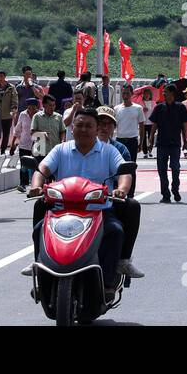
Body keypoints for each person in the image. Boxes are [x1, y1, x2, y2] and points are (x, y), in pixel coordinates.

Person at [26, 110, 130, 292]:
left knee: (116, 231)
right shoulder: (60, 149)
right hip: (61, 210)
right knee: (38, 230)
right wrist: (36, 185)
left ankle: (107, 283)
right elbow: (42, 169)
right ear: (71, 129)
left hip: (99, 211)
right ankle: (40, 273)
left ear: (97, 129)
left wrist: (122, 189)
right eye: (79, 125)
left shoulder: (109, 151)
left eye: (89, 126)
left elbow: (124, 172)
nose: (83, 129)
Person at [93, 107, 144, 278]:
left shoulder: (119, 150)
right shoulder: (75, 146)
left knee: (131, 207)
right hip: (78, 201)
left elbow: (125, 175)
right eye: (99, 123)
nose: (103, 127)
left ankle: (123, 259)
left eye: (108, 124)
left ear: (114, 128)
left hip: (107, 201)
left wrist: (120, 190)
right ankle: (41, 259)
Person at [149, 84, 187, 203]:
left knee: (175, 168)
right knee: (162, 170)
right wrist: (151, 141)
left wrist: (185, 142)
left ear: (172, 93)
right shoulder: (159, 108)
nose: (164, 94)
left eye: (166, 92)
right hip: (161, 144)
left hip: (175, 144)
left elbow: (184, 126)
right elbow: (154, 126)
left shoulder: (180, 107)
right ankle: (165, 195)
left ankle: (175, 189)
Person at [112, 89, 143, 198]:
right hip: (120, 140)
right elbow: (113, 125)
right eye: (123, 93)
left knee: (131, 167)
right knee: (118, 167)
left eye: (127, 94)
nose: (125, 96)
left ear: (132, 94)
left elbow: (142, 126)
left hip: (132, 141)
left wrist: (141, 142)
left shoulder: (138, 108)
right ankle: (119, 190)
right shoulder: (117, 109)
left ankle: (131, 194)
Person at [11, 98, 39, 192]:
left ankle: (35, 183)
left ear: (36, 107)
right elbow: (18, 129)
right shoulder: (23, 114)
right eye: (29, 106)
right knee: (24, 165)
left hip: (37, 144)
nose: (31, 108)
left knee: (36, 165)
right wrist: (13, 144)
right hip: (24, 143)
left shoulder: (39, 115)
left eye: (33, 107)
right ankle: (23, 184)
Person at [31, 93, 67, 167]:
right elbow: (32, 133)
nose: (52, 107)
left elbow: (62, 131)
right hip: (40, 152)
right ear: (44, 105)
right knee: (41, 174)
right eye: (50, 105)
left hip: (54, 151)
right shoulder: (37, 117)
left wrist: (63, 141)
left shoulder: (59, 117)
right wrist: (42, 134)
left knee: (54, 175)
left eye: (54, 105)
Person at [0, 70, 19, 156]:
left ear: (4, 77)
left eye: (1, 77)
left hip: (7, 116)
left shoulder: (11, 88)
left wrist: (14, 108)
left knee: (6, 134)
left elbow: (15, 100)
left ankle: (3, 150)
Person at [138, 86, 156, 158]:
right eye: (145, 94)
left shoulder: (153, 103)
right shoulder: (140, 103)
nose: (147, 95)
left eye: (148, 94)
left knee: (151, 137)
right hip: (143, 122)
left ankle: (150, 150)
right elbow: (138, 112)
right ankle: (145, 152)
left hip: (151, 122)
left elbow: (155, 112)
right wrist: (143, 110)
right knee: (143, 138)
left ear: (150, 95)